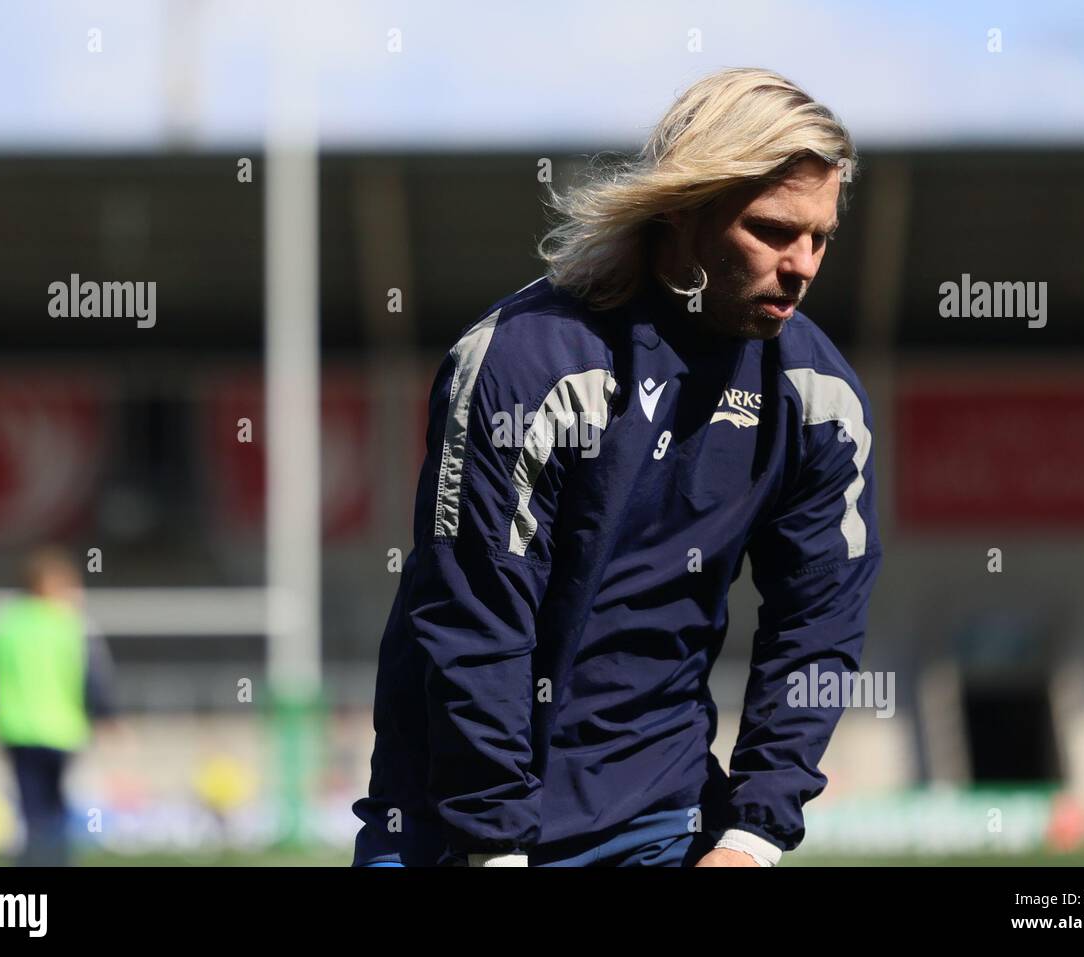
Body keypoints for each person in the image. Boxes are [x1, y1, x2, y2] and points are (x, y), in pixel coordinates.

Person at [352, 67, 882, 867]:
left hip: (658, 823)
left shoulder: (818, 398)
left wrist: (754, 835)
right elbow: (477, 617)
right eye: (773, 231)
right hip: (451, 830)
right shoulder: (529, 362)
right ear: (683, 208)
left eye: (821, 237)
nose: (803, 264)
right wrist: (493, 847)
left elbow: (819, 624)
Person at [0, 546, 116, 865]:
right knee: (56, 805)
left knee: (32, 805)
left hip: (14, 728)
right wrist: (106, 715)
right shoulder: (68, 623)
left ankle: (33, 860)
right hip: (60, 728)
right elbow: (93, 674)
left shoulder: (0, 623)